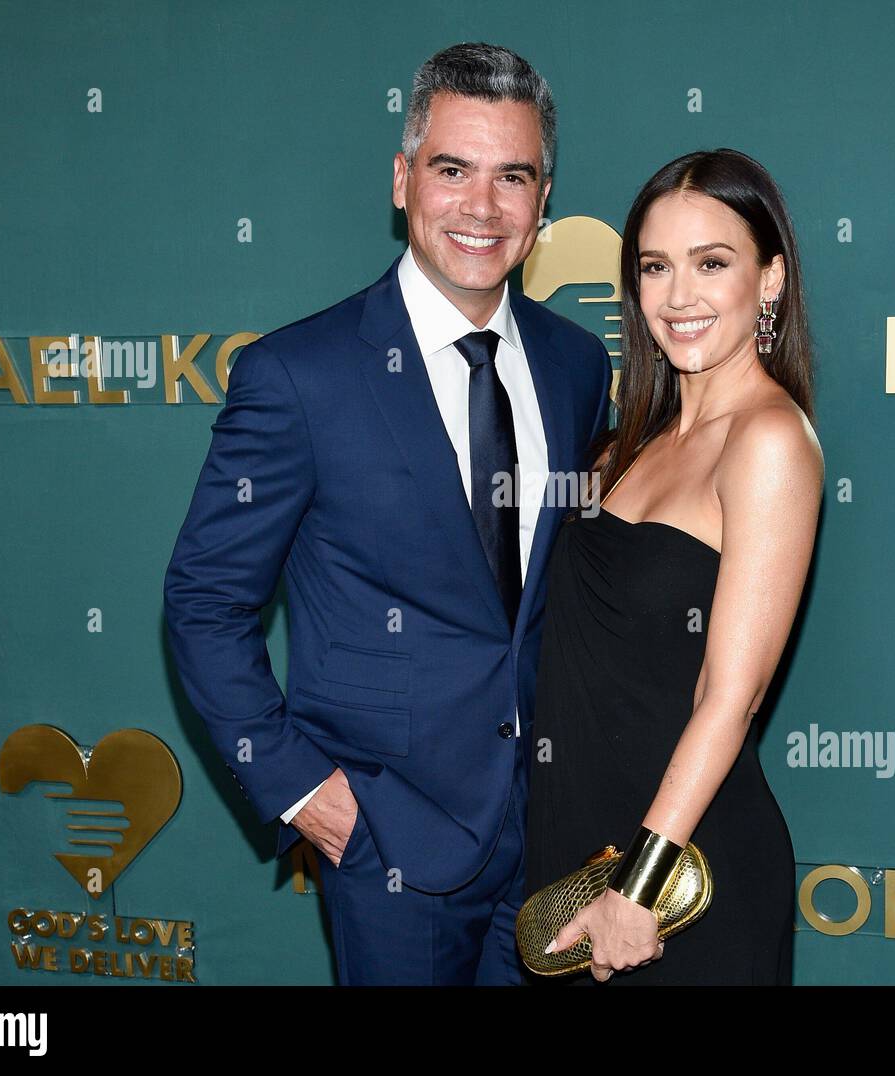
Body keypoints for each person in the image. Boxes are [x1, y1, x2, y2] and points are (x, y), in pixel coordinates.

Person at [162, 42, 611, 985]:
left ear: (543, 199)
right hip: (390, 844)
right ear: (404, 180)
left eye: (512, 177)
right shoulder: (300, 375)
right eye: (453, 170)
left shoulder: (577, 365)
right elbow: (204, 604)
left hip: (554, 834)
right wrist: (309, 797)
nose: (482, 208)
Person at [523, 148, 824, 985]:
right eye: (655, 266)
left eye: (712, 262)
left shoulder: (768, 442)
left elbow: (731, 697)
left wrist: (637, 890)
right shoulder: (628, 442)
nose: (679, 295)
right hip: (573, 847)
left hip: (679, 877)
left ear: (770, 279)